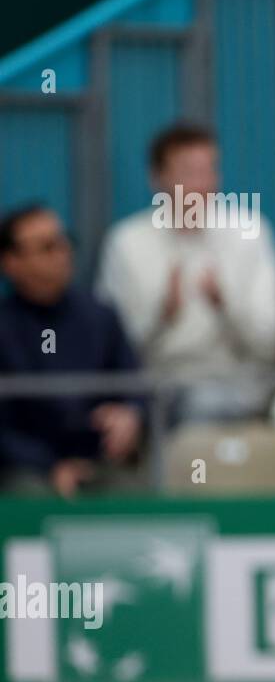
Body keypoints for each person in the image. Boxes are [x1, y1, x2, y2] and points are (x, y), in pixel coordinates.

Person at [95, 123, 275, 423]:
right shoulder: (126, 243)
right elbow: (108, 352)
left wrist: (226, 303)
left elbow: (270, 344)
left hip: (235, 387)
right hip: (154, 390)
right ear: (157, 178)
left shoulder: (252, 232)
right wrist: (161, 315)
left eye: (209, 170)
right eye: (187, 172)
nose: (201, 184)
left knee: (205, 405)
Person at [0, 204, 143, 497]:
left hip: (100, 461)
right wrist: (50, 465)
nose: (62, 254)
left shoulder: (101, 316)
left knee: (138, 490)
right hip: (25, 469)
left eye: (64, 242)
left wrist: (130, 415)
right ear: (11, 262)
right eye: (47, 247)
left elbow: (136, 386)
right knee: (28, 494)